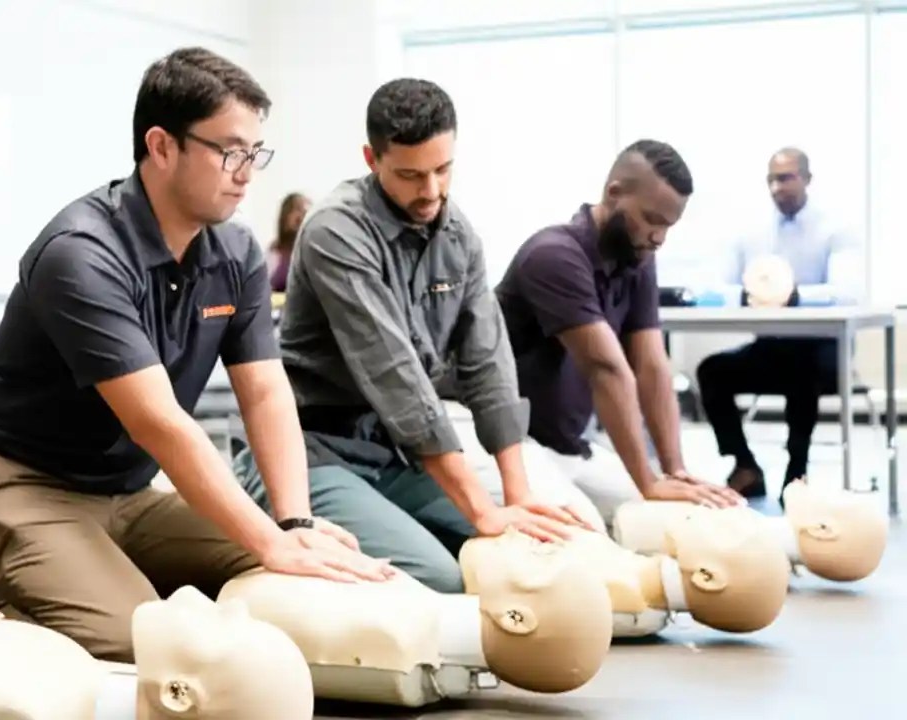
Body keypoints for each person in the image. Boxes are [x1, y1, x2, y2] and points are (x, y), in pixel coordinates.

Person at [0, 47, 392, 664]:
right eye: (230, 151)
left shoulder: (236, 253)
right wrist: (269, 538)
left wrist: (293, 527)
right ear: (161, 146)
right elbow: (158, 421)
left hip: (129, 493)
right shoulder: (83, 252)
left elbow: (263, 391)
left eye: (255, 153)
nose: (246, 171)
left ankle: (90, 582)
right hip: (15, 484)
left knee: (307, 576)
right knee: (138, 639)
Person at [234, 78, 585, 595]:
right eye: (410, 175)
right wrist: (482, 511)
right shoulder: (336, 230)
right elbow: (395, 375)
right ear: (371, 158)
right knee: (440, 575)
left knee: (534, 545)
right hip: (312, 455)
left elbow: (487, 360)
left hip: (392, 454)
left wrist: (515, 496)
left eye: (443, 170)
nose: (431, 191)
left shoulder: (457, 233)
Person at [493, 139, 742, 530]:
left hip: (567, 447)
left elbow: (652, 366)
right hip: (509, 446)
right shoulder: (553, 255)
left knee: (691, 515)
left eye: (668, 226)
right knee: (585, 532)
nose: (659, 237)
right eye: (652, 219)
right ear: (614, 193)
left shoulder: (638, 256)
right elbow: (607, 370)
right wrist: (647, 482)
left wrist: (674, 471)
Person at [696, 148, 864, 499]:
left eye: (786, 178)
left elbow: (848, 293)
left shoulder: (836, 228)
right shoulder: (752, 232)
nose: (777, 187)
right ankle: (745, 465)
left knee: (800, 369)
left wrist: (794, 296)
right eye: (771, 179)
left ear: (807, 179)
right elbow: (721, 287)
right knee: (712, 371)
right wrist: (746, 295)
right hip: (771, 346)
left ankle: (796, 472)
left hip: (823, 350)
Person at [269, 191, 311, 292]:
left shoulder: (315, 250)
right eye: (297, 209)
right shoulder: (273, 253)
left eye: (305, 211)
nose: (301, 215)